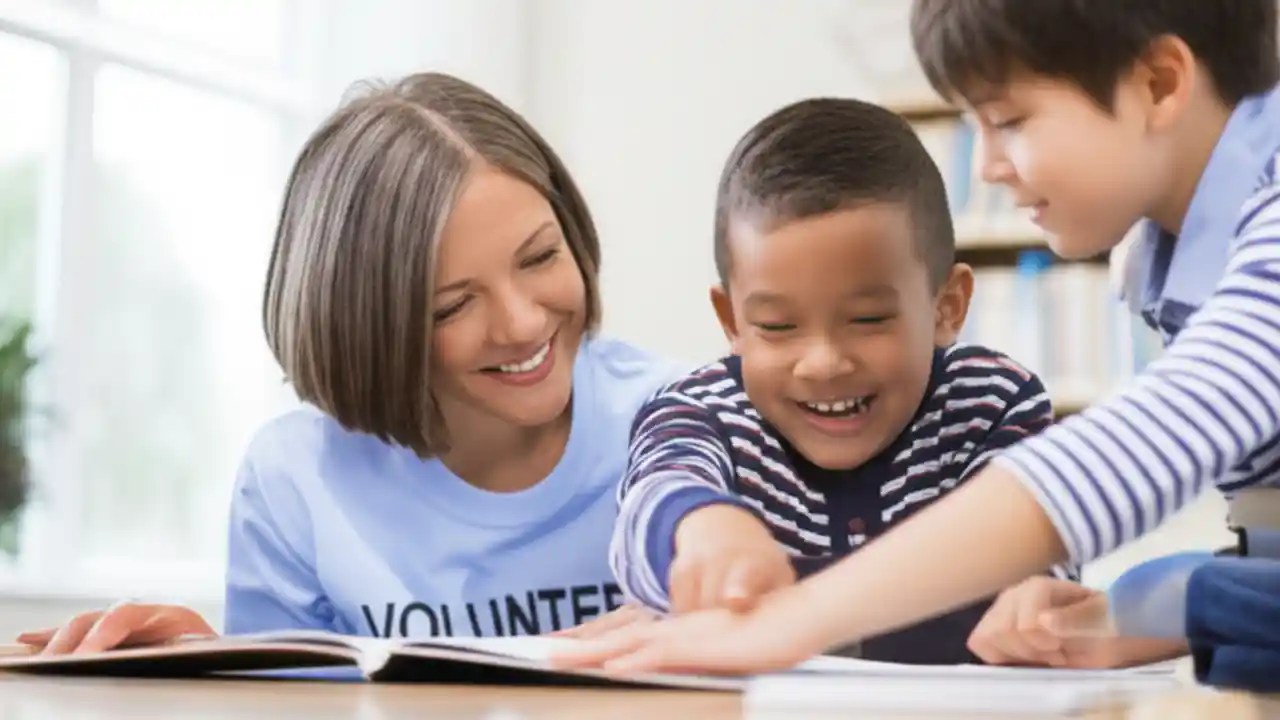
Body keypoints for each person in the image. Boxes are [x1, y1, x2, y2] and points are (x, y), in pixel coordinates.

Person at [555, 0, 1280, 678]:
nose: (990, 167)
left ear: (1158, 84)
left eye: (1010, 120)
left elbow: (1155, 441)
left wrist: (790, 619)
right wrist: (1151, 608)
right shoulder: (1192, 257)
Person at [18, 72, 683, 655]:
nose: (523, 323)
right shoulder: (294, 480)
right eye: (452, 306)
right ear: (370, 325)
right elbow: (294, 702)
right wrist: (206, 666)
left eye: (540, 257)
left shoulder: (688, 423)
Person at [608, 97, 1071, 664]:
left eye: (868, 319)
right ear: (732, 323)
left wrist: (776, 612)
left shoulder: (992, 402)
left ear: (947, 307)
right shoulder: (700, 410)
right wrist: (703, 530)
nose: (823, 363)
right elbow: (647, 521)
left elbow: (1020, 595)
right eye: (777, 326)